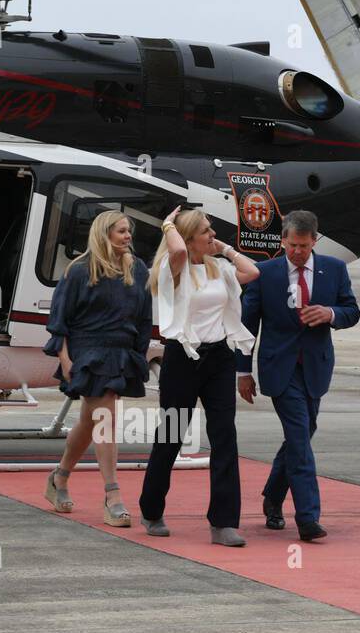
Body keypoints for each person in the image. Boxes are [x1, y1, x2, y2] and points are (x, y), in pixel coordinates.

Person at [138, 207, 259, 547]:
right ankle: (151, 509)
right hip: (182, 358)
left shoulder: (218, 267)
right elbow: (176, 250)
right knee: (172, 437)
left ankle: (223, 522)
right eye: (206, 231)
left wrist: (226, 250)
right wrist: (166, 225)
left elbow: (252, 272)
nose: (212, 235)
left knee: (224, 437)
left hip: (219, 357)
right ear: (189, 237)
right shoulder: (172, 268)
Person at [237, 209, 360, 541]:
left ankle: (273, 497)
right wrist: (242, 371)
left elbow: (352, 311)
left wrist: (330, 313)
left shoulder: (334, 269)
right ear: (283, 240)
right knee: (300, 438)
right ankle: (307, 517)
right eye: (292, 245)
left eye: (304, 246)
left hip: (316, 367)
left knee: (301, 434)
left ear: (314, 241)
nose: (297, 252)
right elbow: (247, 325)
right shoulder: (264, 273)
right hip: (279, 368)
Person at [42, 210, 153, 527]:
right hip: (87, 351)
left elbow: (144, 318)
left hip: (121, 351)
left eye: (128, 231)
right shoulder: (78, 270)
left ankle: (60, 476)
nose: (128, 236)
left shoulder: (138, 268)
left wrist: (139, 355)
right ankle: (112, 494)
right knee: (105, 416)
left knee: (91, 421)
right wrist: (65, 360)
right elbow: (59, 320)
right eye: (121, 231)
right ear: (104, 234)